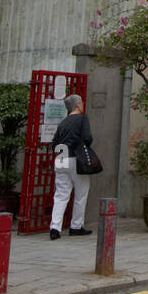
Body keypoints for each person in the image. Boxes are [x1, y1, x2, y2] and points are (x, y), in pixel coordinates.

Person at [50, 93, 94, 239]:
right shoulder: (82, 118)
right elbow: (87, 138)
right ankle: (75, 226)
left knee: (61, 195)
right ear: (77, 105)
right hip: (75, 158)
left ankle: (55, 227)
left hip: (60, 158)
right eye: (81, 102)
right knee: (81, 194)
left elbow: (54, 143)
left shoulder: (63, 122)